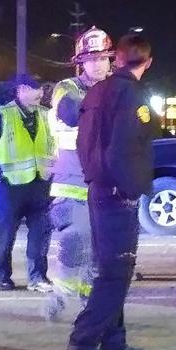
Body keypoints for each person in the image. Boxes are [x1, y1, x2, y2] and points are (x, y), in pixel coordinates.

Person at [63, 34, 155, 350]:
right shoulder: (131, 95)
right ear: (148, 62)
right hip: (116, 193)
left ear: (117, 59)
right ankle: (82, 344)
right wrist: (128, 189)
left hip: (98, 188)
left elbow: (85, 142)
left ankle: (114, 341)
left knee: (112, 269)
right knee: (116, 272)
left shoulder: (97, 92)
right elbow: (123, 148)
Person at [43, 28, 114, 321]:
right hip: (72, 182)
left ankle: (89, 302)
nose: (97, 64)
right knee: (76, 238)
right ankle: (60, 294)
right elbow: (71, 113)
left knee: (100, 249)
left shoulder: (117, 89)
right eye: (91, 59)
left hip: (105, 182)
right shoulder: (66, 88)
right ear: (80, 62)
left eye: (103, 58)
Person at [0, 75, 55, 292]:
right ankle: (2, 276)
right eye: (34, 89)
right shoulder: (0, 115)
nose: (39, 94)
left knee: (40, 235)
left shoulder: (47, 115)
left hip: (40, 184)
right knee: (6, 236)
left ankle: (38, 277)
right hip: (9, 186)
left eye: (41, 89)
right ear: (20, 90)